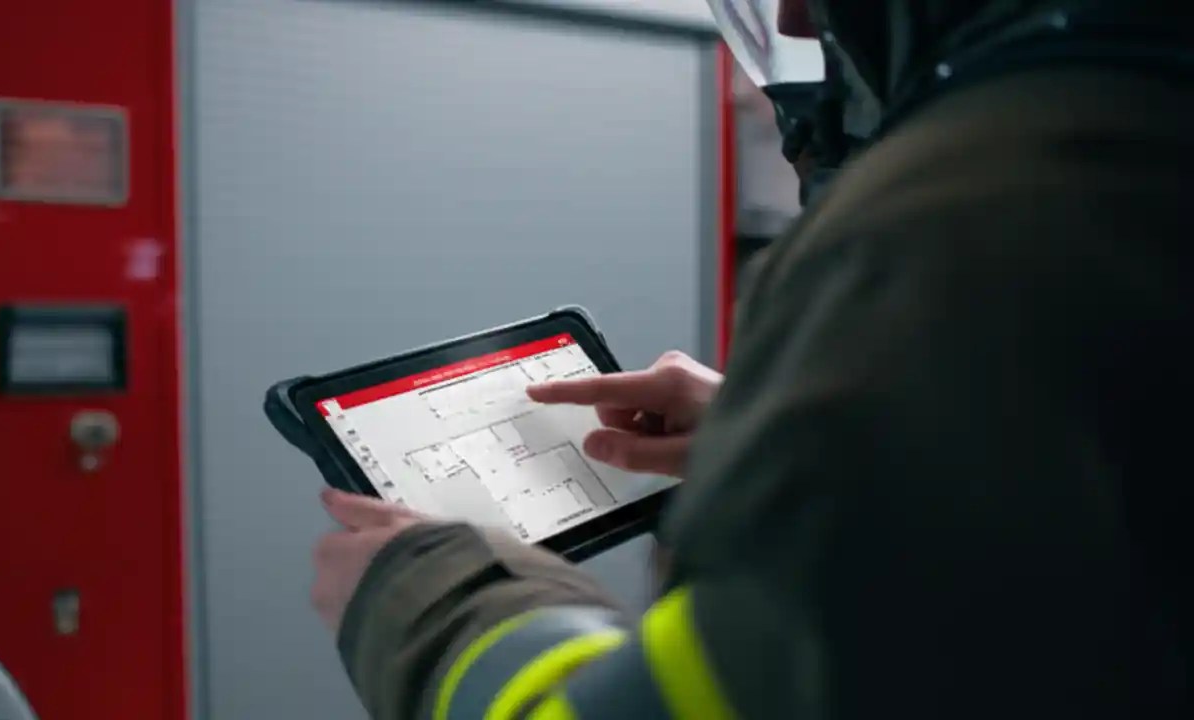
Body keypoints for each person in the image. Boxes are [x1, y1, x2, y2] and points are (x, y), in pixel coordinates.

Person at [309, 0, 1193, 717]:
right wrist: (790, 442)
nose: (805, 21)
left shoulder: (972, 210)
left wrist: (425, 595)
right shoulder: (1131, 140)